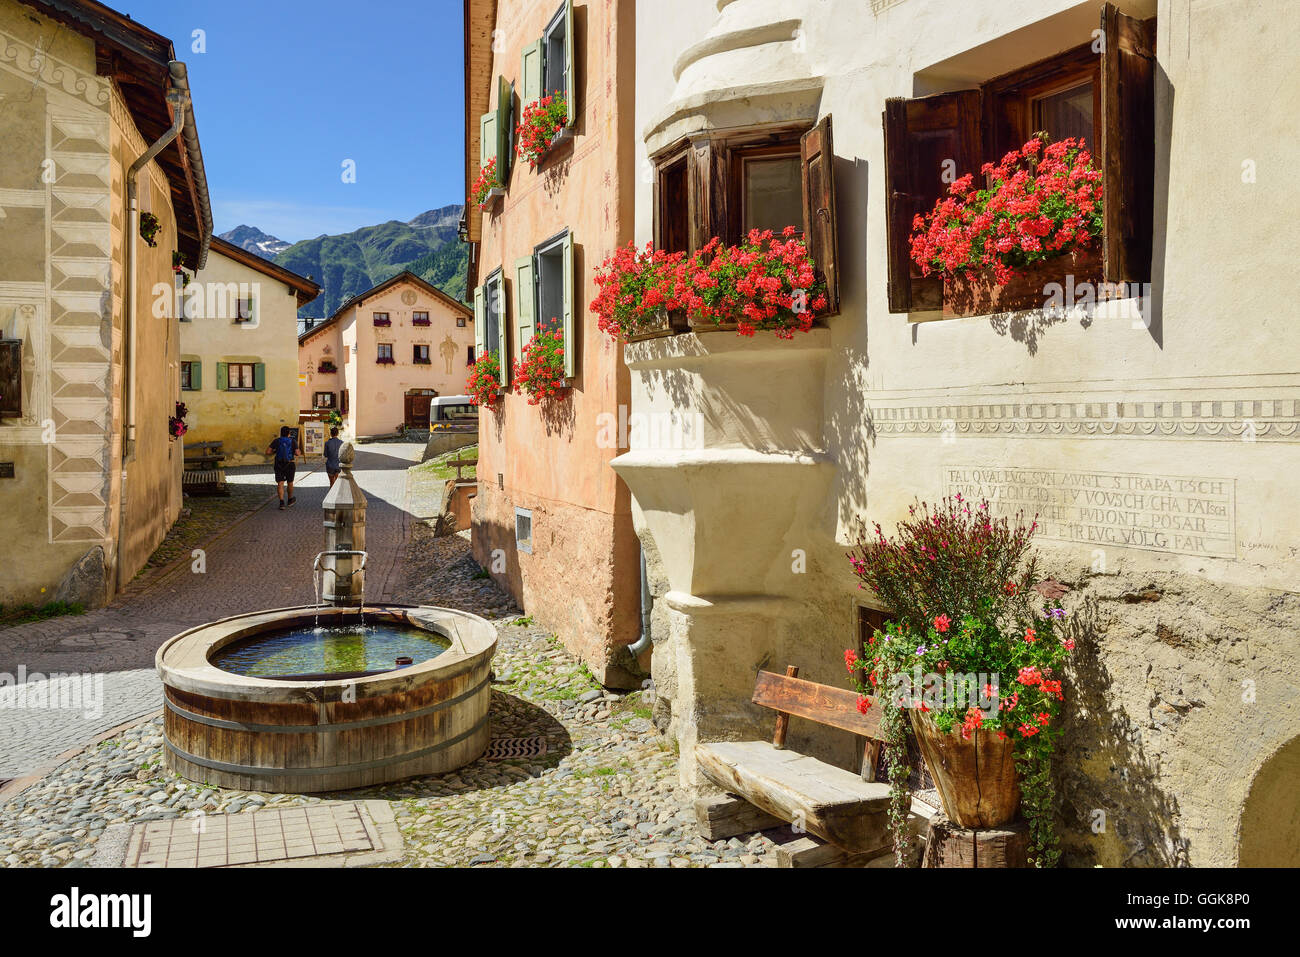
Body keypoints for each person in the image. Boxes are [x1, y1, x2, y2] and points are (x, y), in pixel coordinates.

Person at [265, 426, 303, 509]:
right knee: (290, 482)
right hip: (290, 464)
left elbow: (268, 451)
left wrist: (275, 451)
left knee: (280, 483)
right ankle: (289, 500)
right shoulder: (293, 441)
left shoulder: (276, 441)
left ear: (281, 433)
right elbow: (297, 453)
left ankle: (281, 503)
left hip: (279, 464)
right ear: (289, 433)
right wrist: (297, 451)